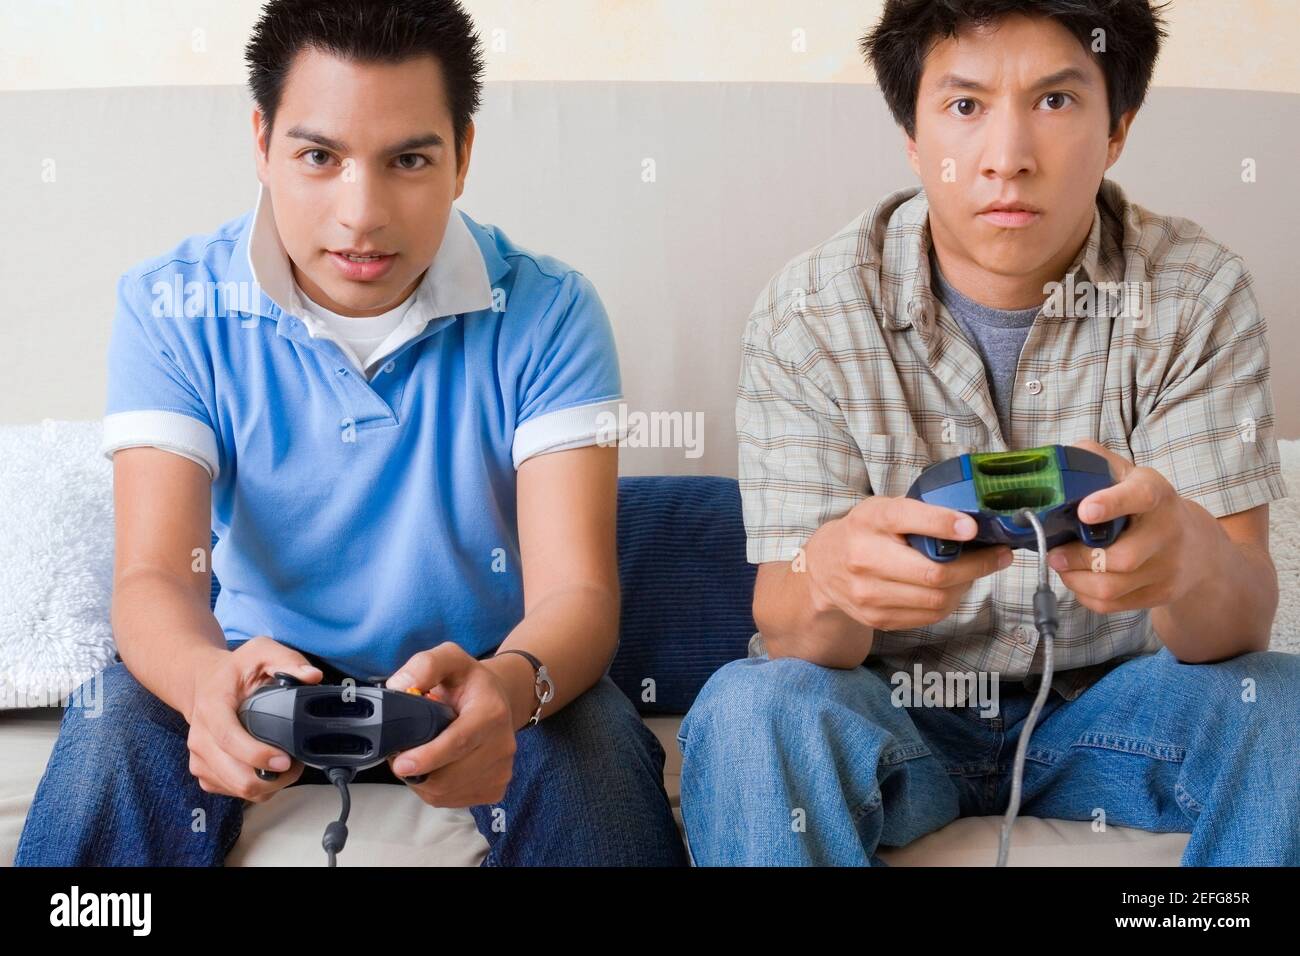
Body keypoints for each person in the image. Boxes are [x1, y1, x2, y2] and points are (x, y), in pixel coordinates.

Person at [17, 0, 686, 867]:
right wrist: (202, 684)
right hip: (256, 672)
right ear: (261, 143)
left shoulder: (551, 312)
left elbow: (579, 599)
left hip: (483, 670)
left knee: (589, 736)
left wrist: (514, 685)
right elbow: (152, 577)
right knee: (116, 723)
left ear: (464, 155)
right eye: (318, 157)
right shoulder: (168, 306)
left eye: (408, 159)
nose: (361, 213)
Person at [677, 0, 1297, 866]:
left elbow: (1236, 631)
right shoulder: (807, 312)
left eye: (1056, 101)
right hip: (892, 713)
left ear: (1117, 128)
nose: (1007, 160)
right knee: (751, 707)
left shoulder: (1195, 293)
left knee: (1282, 707)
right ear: (911, 132)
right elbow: (792, 636)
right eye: (964, 106)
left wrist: (1187, 555)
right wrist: (829, 578)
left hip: (1111, 712)